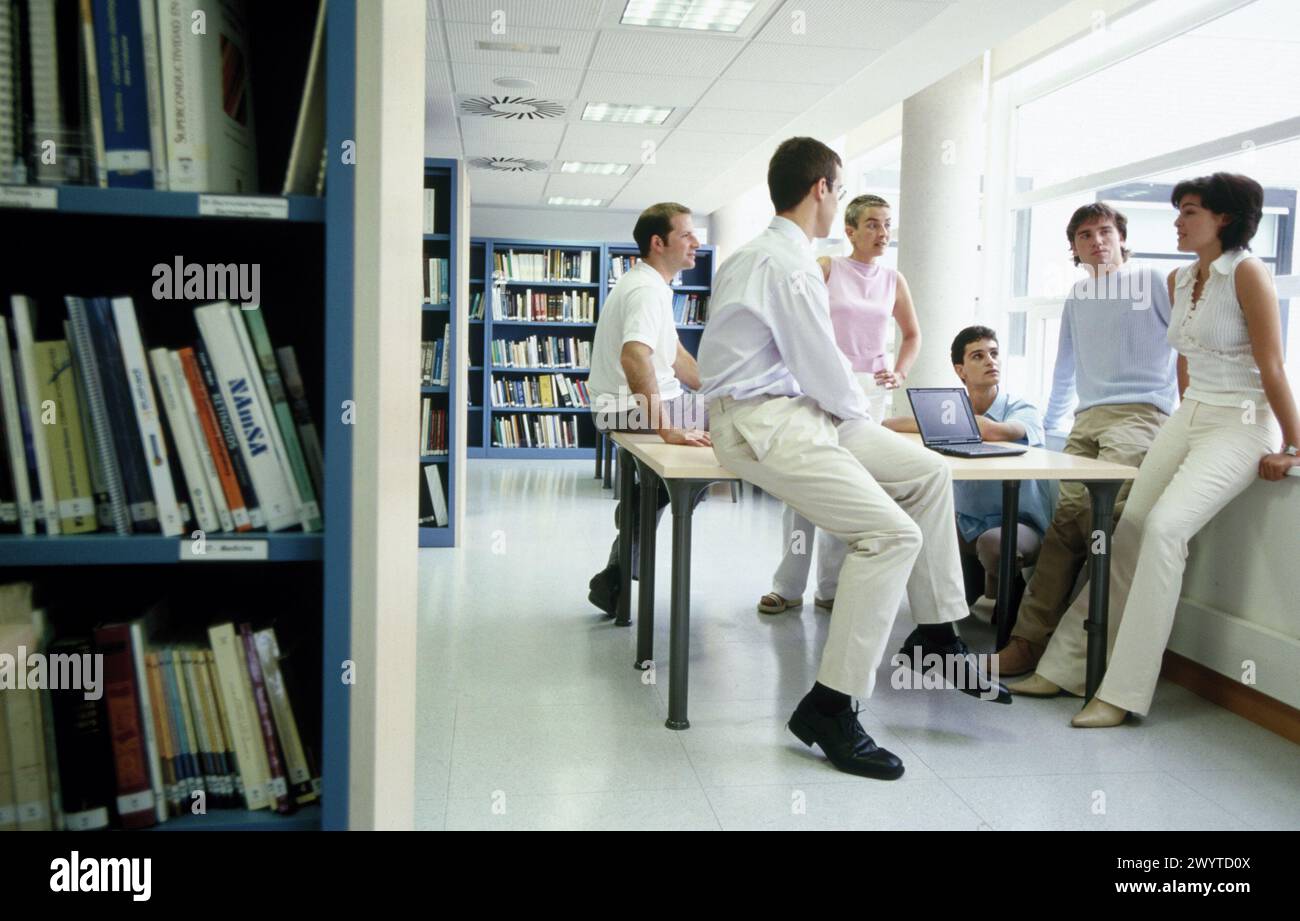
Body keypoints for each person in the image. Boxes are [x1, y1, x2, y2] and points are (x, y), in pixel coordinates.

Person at [698, 137, 1010, 782]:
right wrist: (869, 418)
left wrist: (869, 422)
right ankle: (832, 705)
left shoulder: (776, 255)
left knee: (927, 473)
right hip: (767, 421)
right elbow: (821, 366)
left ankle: (937, 635)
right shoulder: (786, 264)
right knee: (888, 534)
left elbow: (819, 370)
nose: (841, 202)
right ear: (821, 189)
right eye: (840, 191)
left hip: (807, 409)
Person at [1010, 173, 1300, 727]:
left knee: (1165, 530)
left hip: (1240, 422)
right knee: (1130, 528)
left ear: (1224, 218)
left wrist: (1293, 445)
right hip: (1189, 415)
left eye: (1188, 211)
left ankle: (1122, 692)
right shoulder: (1184, 277)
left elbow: (1274, 366)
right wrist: (1183, 409)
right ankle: (1065, 665)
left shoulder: (1249, 273)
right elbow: (1186, 356)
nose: (1176, 221)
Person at [994, 203, 1178, 677]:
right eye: (1084, 235)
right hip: (1086, 420)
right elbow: (1065, 368)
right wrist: (1049, 432)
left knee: (1107, 526)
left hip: (1141, 417)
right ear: (1074, 248)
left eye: (1105, 231)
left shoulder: (1154, 282)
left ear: (1121, 238)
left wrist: (1182, 418)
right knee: (1064, 527)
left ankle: (1081, 660)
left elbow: (1187, 348)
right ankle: (1027, 644)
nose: (1097, 241)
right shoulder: (1078, 296)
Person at [759, 194, 922, 616]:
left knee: (848, 488)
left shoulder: (894, 280)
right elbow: (794, 320)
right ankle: (787, 585)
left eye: (887, 224)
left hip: (869, 392)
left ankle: (830, 588)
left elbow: (912, 334)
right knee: (802, 487)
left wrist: (900, 372)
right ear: (849, 230)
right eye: (871, 224)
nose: (882, 232)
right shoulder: (827, 267)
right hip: (819, 386)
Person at [586, 203, 709, 616]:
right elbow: (635, 358)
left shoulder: (655, 285)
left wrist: (723, 390)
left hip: (633, 405)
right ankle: (642, 508)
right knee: (743, 426)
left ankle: (635, 519)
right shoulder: (646, 290)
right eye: (687, 235)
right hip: (627, 408)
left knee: (732, 412)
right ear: (659, 243)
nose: (697, 242)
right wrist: (667, 428)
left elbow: (675, 360)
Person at [883, 326, 1052, 616]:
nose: (991, 361)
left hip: (1018, 522)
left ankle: (1010, 597)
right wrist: (931, 420)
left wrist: (936, 420)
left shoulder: (1022, 408)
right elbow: (890, 425)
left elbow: (995, 431)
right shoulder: (951, 412)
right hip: (968, 522)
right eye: (978, 355)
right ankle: (963, 593)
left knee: (995, 546)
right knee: (920, 533)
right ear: (960, 370)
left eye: (995, 353)